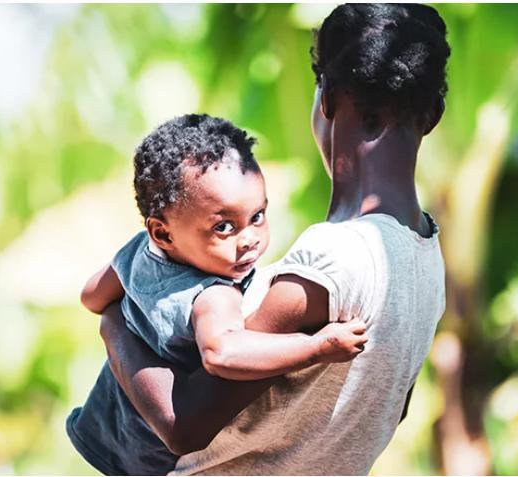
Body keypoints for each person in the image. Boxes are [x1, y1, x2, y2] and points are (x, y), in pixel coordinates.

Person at [101, 3, 450, 474]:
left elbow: (184, 422)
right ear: (433, 115)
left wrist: (114, 327)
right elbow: (388, 410)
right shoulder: (427, 262)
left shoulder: (337, 255)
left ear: (325, 99)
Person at [66, 114, 369, 475]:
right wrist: (317, 347)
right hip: (146, 461)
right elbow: (222, 353)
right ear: (163, 233)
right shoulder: (214, 296)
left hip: (97, 431)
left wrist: (121, 321)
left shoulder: (136, 251)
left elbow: (92, 297)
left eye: (258, 216)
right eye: (224, 227)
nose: (249, 240)